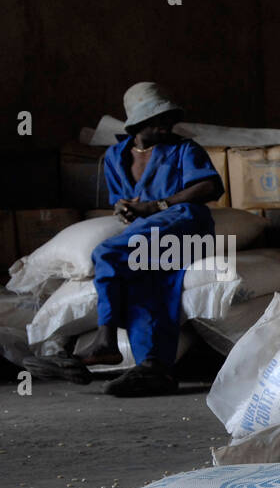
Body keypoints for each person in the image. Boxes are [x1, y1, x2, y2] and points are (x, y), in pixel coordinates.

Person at [25, 82, 224, 395]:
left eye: (169, 117)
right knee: (150, 281)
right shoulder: (115, 156)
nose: (165, 124)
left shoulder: (185, 149)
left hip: (185, 224)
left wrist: (157, 205)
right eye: (156, 119)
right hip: (150, 237)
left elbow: (210, 187)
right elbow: (124, 201)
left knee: (107, 253)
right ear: (138, 123)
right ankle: (155, 367)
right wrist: (124, 209)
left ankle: (105, 340)